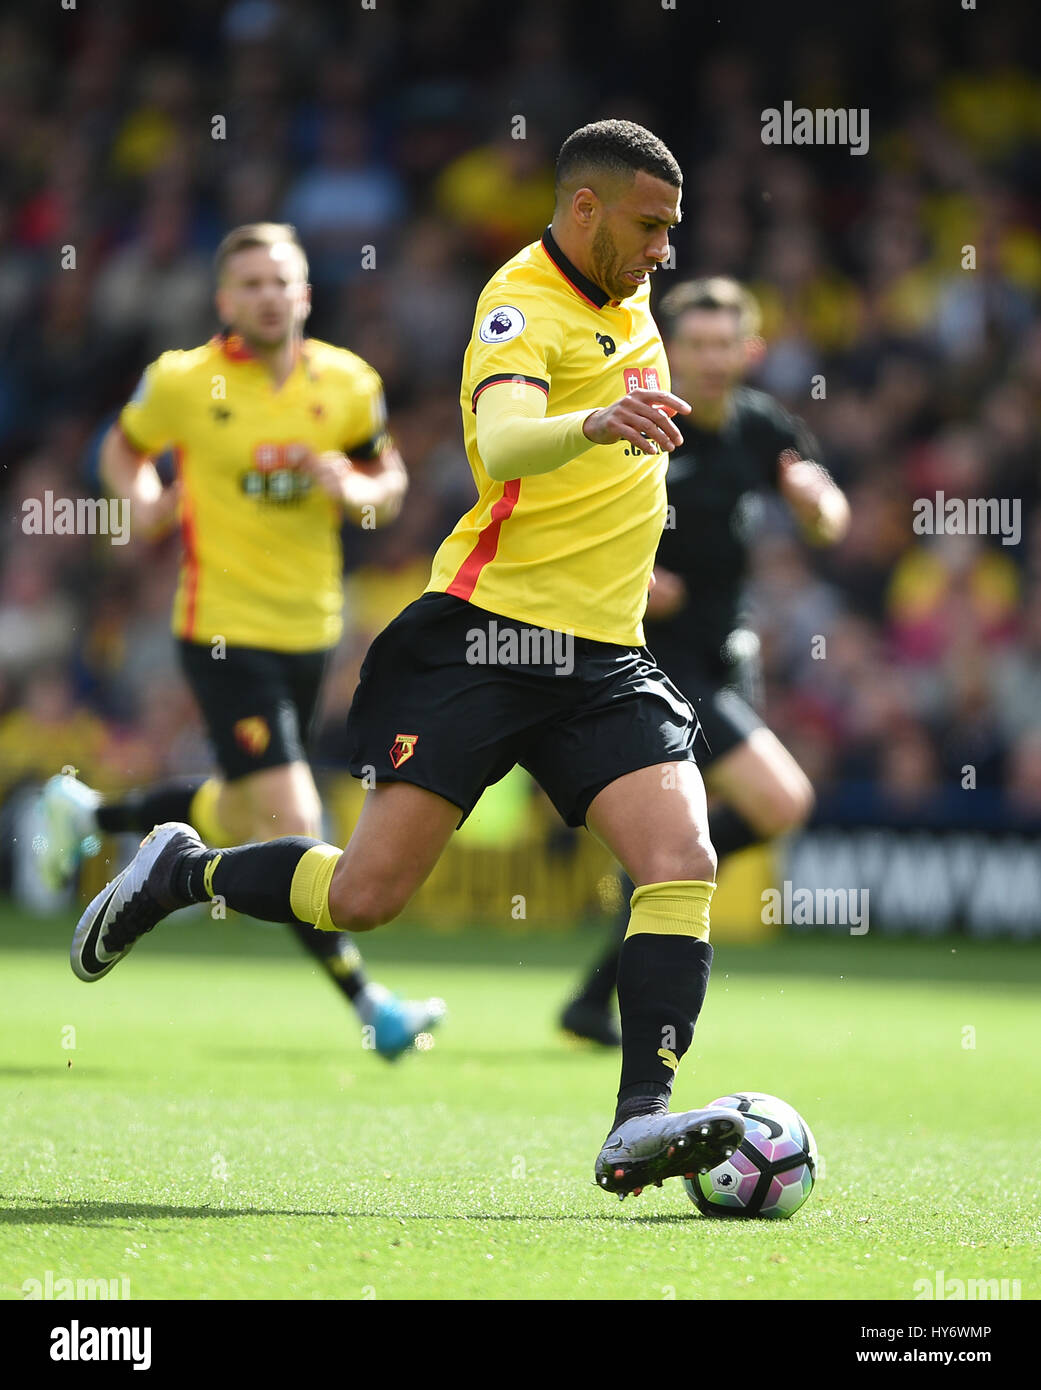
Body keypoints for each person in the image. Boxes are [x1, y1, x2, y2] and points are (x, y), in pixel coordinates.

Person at [69, 121, 746, 1198]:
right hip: (486, 642)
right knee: (367, 894)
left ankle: (639, 1122)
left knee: (682, 862)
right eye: (651, 225)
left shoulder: (628, 290)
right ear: (584, 210)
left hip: (606, 655)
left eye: (672, 227)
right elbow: (504, 443)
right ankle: (182, 872)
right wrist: (599, 421)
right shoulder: (519, 299)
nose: (667, 246)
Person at [42, 222, 444, 1061]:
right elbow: (119, 449)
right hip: (221, 629)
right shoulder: (184, 382)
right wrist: (140, 498)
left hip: (312, 632)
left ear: (304, 293)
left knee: (239, 807)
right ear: (226, 300)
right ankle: (370, 1004)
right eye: (250, 283)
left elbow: (390, 486)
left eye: (281, 281)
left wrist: (355, 484)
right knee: (296, 816)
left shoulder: (349, 383)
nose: (267, 295)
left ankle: (92, 813)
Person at [561, 276, 850, 1046]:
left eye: (725, 345)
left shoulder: (760, 427)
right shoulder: (640, 421)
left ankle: (597, 993)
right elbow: (573, 524)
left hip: (725, 655)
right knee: (780, 802)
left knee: (686, 841)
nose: (709, 359)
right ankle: (627, 938)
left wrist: (817, 502)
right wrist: (629, 574)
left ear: (749, 351)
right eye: (694, 344)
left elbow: (822, 507)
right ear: (668, 347)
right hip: (653, 659)